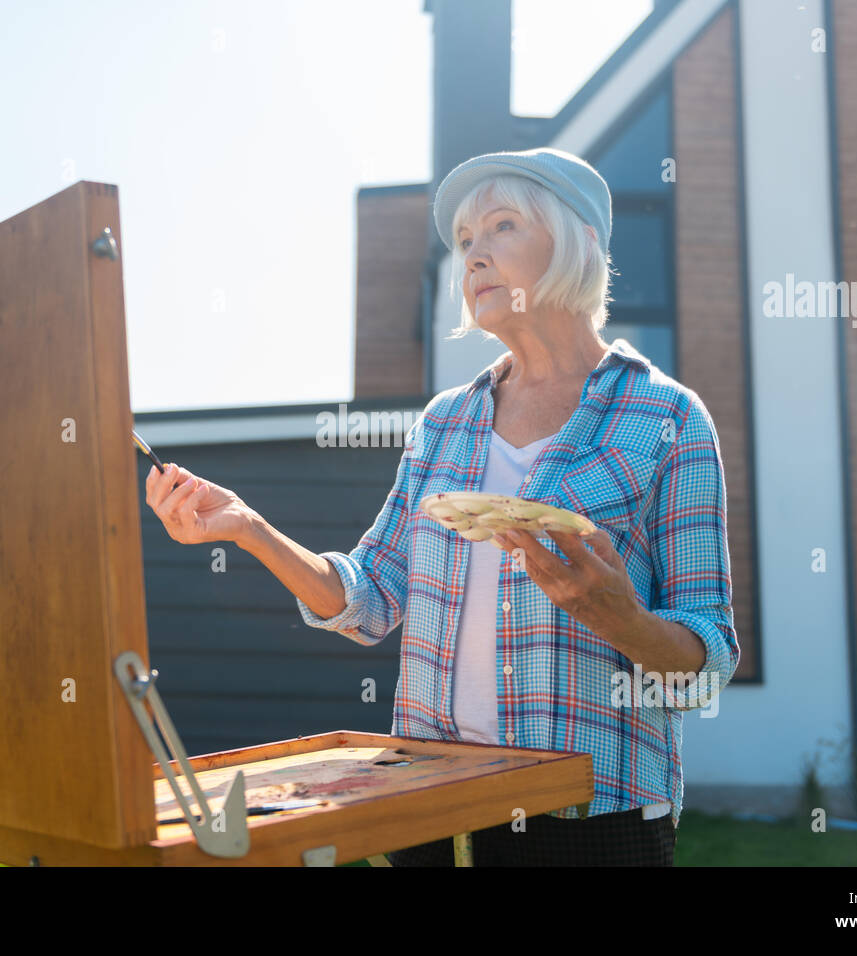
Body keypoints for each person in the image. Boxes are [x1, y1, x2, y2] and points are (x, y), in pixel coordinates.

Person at [145, 146, 739, 866]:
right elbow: (369, 596)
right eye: (464, 242)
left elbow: (704, 666)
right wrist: (248, 528)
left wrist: (622, 618)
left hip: (589, 819)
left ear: (576, 243)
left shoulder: (667, 418)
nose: (473, 257)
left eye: (501, 228)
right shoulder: (444, 423)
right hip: (433, 808)